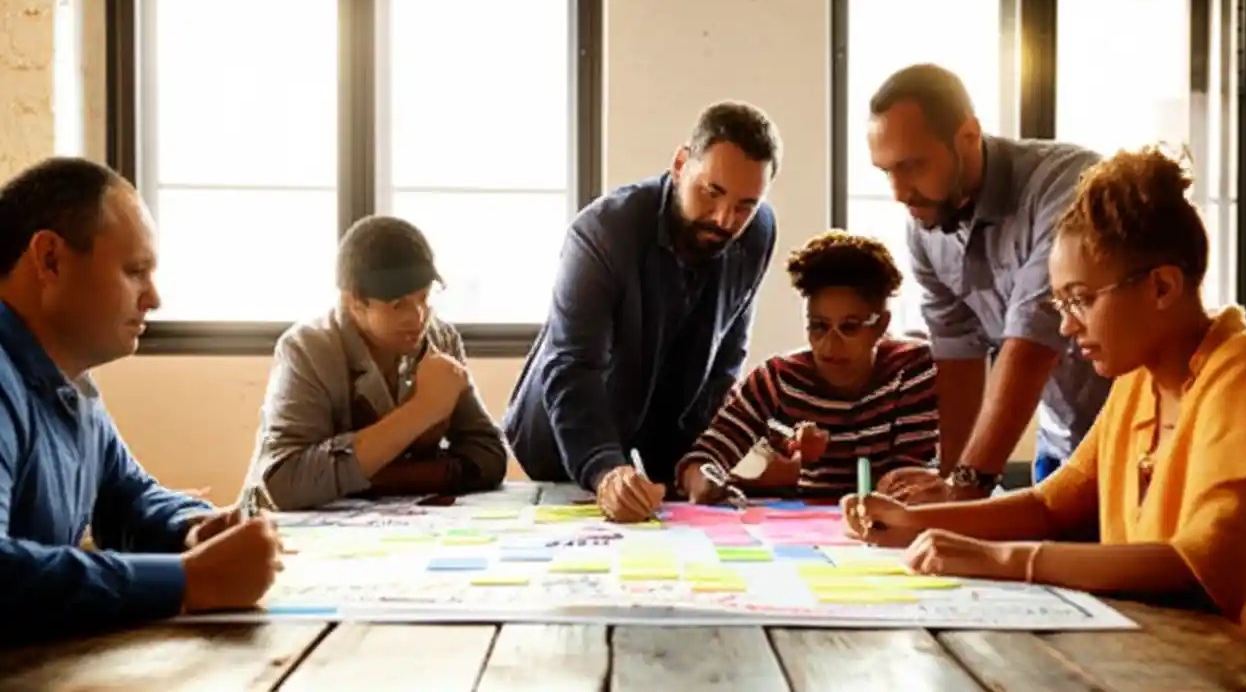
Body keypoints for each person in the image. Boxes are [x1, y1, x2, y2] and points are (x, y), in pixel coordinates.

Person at [843, 147, 1246, 639]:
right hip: (1155, 659)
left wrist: (1003, 558)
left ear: (1161, 287)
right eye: (1060, 302)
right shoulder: (1138, 383)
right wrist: (913, 521)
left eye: (1080, 300)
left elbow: (1197, 569)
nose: (1067, 325)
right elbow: (1051, 506)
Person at [0, 157, 281, 642]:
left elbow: (127, 497)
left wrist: (193, 530)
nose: (154, 298)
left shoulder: (73, 384)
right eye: (136, 271)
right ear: (49, 259)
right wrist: (190, 580)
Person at [504, 100, 782, 522]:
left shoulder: (759, 231)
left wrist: (698, 460)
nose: (725, 219)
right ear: (680, 163)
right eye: (712, 192)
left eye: (746, 204)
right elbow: (573, 365)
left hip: (657, 451)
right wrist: (603, 469)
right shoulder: (602, 231)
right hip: (562, 438)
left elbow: (726, 358)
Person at [865, 63, 1112, 503]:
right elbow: (957, 354)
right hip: (1059, 449)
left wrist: (967, 485)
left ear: (967, 136)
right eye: (887, 171)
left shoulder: (1068, 183)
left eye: (913, 166)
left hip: (1136, 439)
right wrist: (948, 483)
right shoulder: (925, 225)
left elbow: (1032, 342)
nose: (900, 192)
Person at [249, 216, 508, 511]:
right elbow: (285, 483)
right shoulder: (307, 348)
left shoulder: (440, 339)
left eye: (424, 298)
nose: (418, 317)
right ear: (354, 302)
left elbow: (489, 456)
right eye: (398, 305)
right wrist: (422, 411)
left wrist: (376, 475)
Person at [676, 231, 938, 502]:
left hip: (883, 528)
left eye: (849, 327)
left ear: (881, 326)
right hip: (797, 531)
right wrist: (707, 481)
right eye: (818, 326)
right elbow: (704, 457)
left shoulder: (912, 370)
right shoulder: (778, 379)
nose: (829, 345)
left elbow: (911, 473)